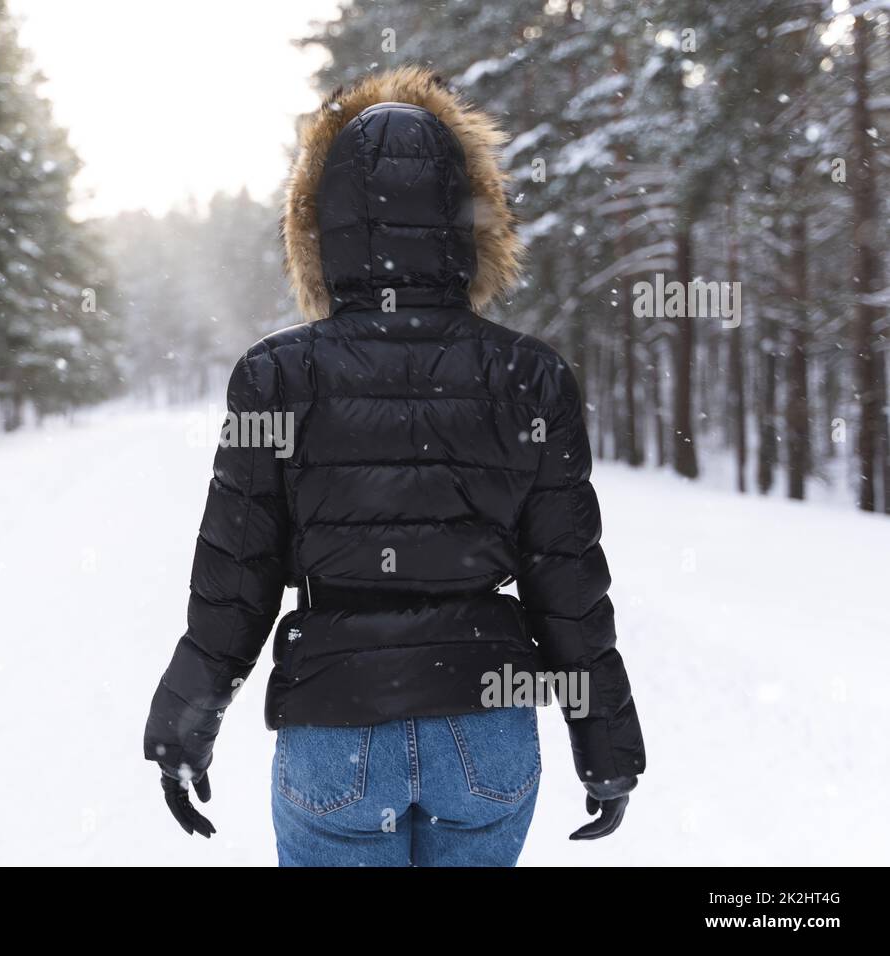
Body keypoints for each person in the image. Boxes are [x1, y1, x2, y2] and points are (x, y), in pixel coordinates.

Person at [143, 66, 646, 866]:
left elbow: (237, 573)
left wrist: (184, 722)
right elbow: (568, 580)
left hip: (336, 729)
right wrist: (608, 741)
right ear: (472, 218)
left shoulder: (277, 376)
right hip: (487, 727)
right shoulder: (530, 374)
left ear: (318, 230)